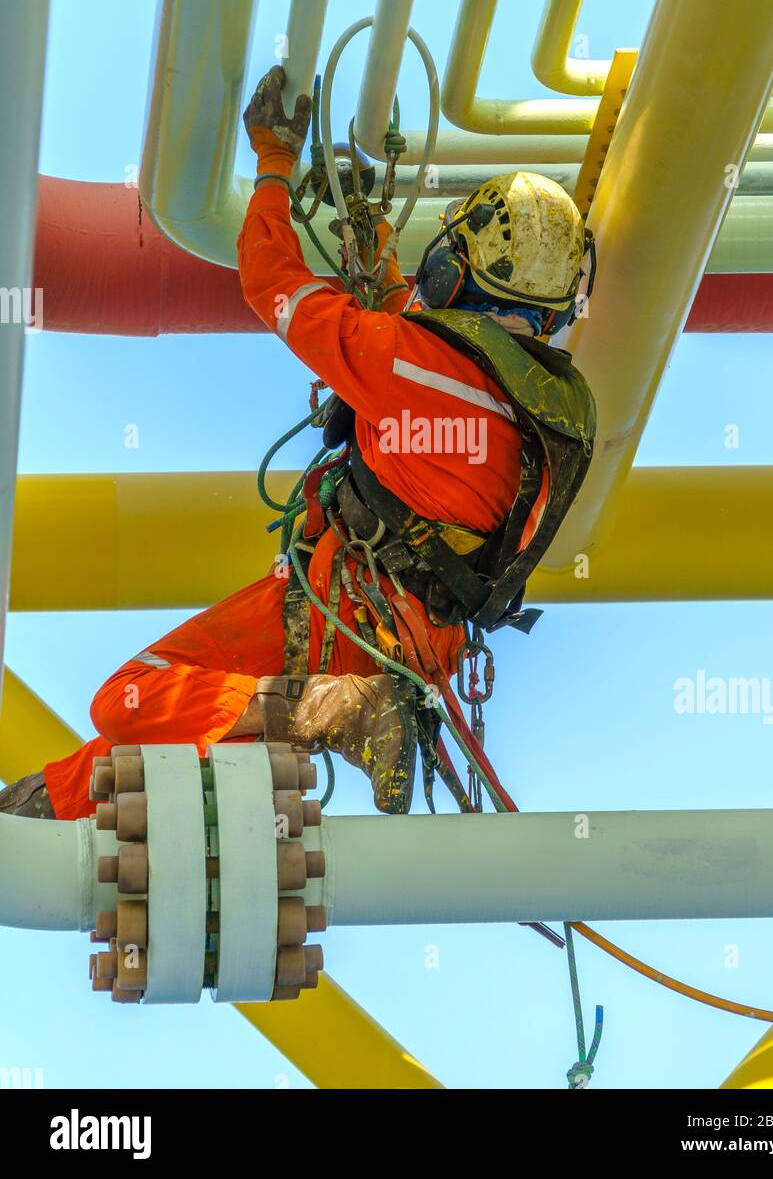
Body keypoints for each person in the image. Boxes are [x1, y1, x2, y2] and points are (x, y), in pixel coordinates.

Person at [0, 68, 595, 822]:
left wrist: (273, 164)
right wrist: (372, 235)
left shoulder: (407, 366)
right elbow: (422, 330)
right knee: (175, 734)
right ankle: (29, 815)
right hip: (412, 637)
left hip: (346, 619)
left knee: (132, 696)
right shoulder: (537, 406)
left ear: (460, 263)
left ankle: (336, 709)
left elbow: (271, 281)